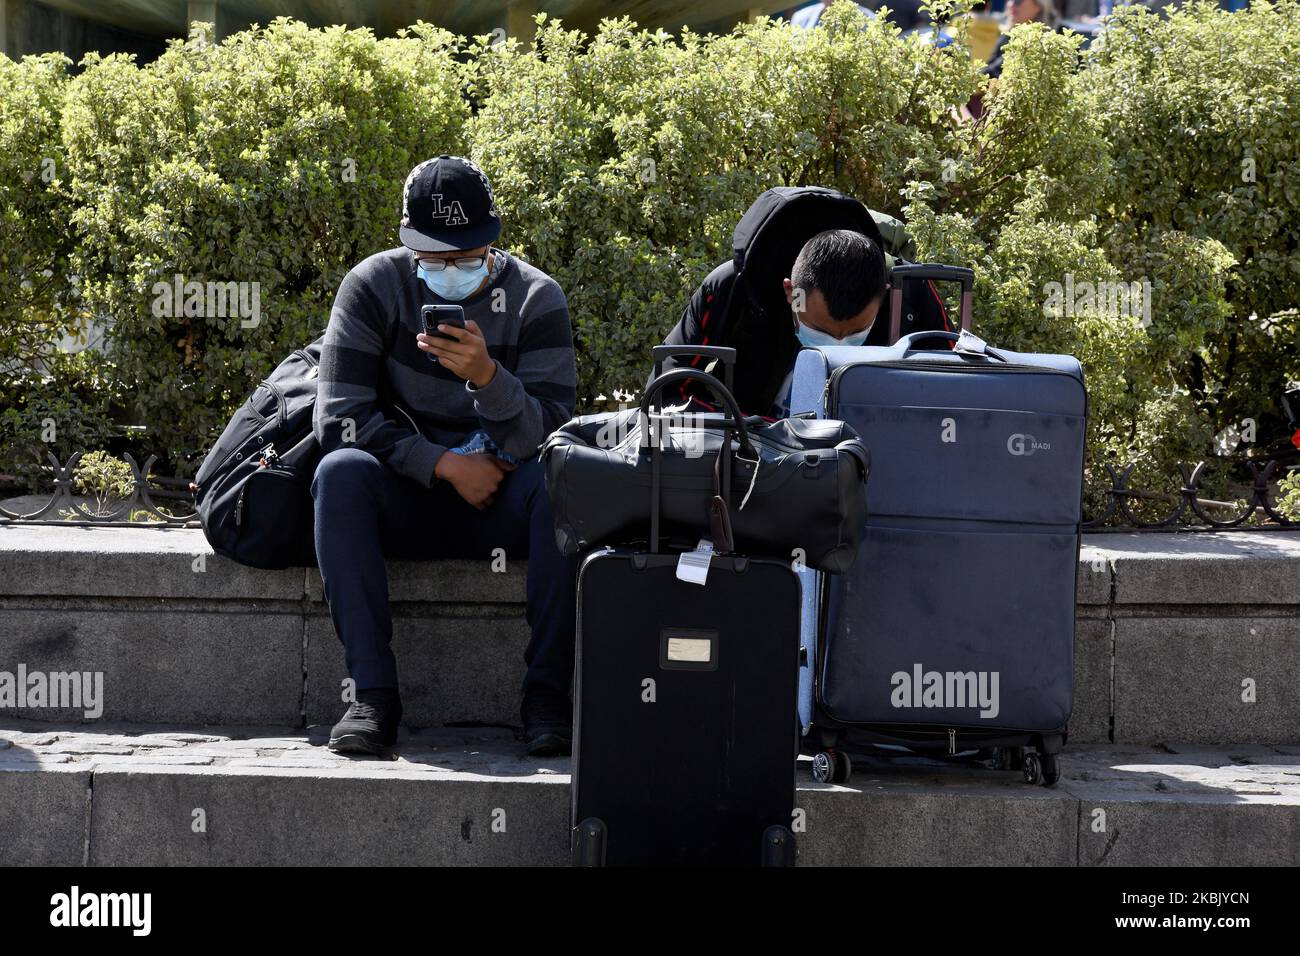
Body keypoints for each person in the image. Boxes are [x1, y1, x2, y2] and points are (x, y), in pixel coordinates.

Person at [312, 155, 579, 757]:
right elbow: (338, 418)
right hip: (411, 489)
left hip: (505, 493)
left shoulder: (537, 298)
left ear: (493, 242)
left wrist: (489, 379)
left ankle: (547, 698)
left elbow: (557, 432)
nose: (451, 269)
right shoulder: (373, 286)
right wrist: (441, 464)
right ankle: (372, 696)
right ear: (408, 247)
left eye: (466, 255)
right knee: (341, 474)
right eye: (435, 257)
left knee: (565, 481)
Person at [652, 186, 891, 421]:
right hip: (754, 450)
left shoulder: (905, 298)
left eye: (857, 333)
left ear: (883, 296)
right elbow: (664, 393)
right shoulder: (733, 288)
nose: (837, 347)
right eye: (820, 331)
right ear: (791, 292)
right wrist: (759, 432)